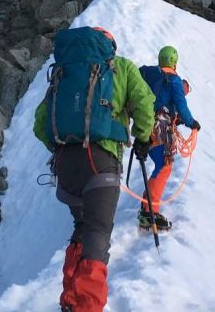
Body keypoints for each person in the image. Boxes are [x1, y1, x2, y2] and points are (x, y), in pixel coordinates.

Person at [34, 26, 155, 312]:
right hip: (101, 160)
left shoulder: (63, 72)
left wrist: (61, 148)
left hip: (66, 164)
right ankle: (87, 305)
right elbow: (144, 103)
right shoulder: (121, 67)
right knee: (98, 232)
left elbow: (40, 123)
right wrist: (143, 137)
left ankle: (70, 300)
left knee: (82, 227)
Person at [138, 45, 201, 231]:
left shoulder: (150, 76)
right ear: (174, 62)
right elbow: (181, 105)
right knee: (164, 166)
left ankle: (147, 206)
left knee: (160, 164)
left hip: (146, 126)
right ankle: (150, 213)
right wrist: (191, 122)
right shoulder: (174, 80)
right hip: (162, 128)